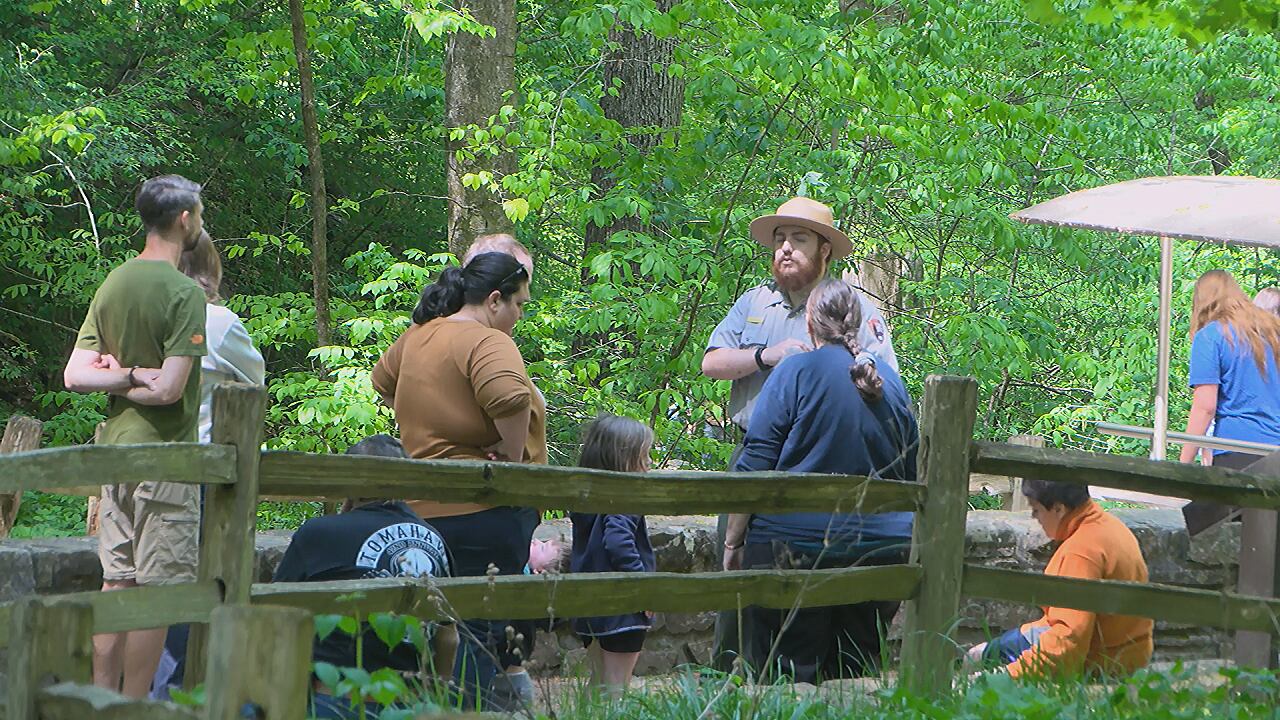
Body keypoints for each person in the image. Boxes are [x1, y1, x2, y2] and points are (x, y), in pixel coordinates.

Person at [702, 197, 898, 666]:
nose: (785, 249)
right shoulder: (753, 303)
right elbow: (710, 362)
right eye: (779, 239)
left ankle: (811, 676)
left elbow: (884, 388)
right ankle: (729, 672)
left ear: (826, 249)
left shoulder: (851, 309)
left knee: (819, 583)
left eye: (799, 239)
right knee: (736, 571)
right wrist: (763, 356)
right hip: (754, 455)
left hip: (829, 462)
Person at [371, 251, 543, 710]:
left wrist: (429, 425)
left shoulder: (419, 336)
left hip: (421, 513)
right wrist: (507, 456)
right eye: (518, 304)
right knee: (479, 630)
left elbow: (382, 380)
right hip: (483, 510)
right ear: (493, 300)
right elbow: (509, 397)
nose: (519, 315)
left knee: (432, 626)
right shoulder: (487, 341)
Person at [722, 279, 918, 683]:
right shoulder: (892, 384)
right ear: (858, 323)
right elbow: (911, 474)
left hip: (793, 548)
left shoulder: (796, 370)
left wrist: (733, 541)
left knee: (785, 674)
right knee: (855, 674)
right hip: (882, 551)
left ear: (808, 322)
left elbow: (755, 463)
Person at [62, 174, 208, 697]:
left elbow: (75, 375)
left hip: (114, 455)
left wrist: (122, 373)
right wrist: (142, 377)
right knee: (157, 591)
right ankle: (135, 704)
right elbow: (170, 388)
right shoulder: (185, 293)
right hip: (167, 459)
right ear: (185, 219)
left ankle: (101, 699)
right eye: (199, 214)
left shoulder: (115, 282)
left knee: (116, 580)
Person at [272, 435, 458, 719]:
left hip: (335, 701)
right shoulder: (435, 538)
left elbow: (274, 614)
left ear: (349, 480)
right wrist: (437, 700)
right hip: (411, 703)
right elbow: (449, 636)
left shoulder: (320, 533)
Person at [967, 479, 1153, 678]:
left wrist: (1007, 677)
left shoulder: (1081, 552)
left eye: (1037, 510)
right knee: (981, 654)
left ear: (1058, 509)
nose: (1034, 517)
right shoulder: (1109, 526)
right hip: (1127, 653)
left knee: (980, 670)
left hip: (1103, 663)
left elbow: (1068, 639)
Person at [1178, 271, 1280, 535]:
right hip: (1276, 452)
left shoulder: (1211, 336)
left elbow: (1205, 407)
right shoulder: (1273, 331)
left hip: (1237, 452)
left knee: (1198, 531)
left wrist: (1182, 463)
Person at [570, 416, 657, 695]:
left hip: (589, 603)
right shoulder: (625, 496)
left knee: (599, 682)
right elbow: (619, 541)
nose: (650, 463)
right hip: (623, 607)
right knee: (617, 688)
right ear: (624, 460)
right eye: (644, 455)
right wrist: (641, 586)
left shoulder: (586, 498)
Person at [177, 230, 265, 442]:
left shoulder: (136, 316)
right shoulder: (219, 322)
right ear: (210, 267)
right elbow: (256, 386)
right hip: (206, 460)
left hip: (140, 457)